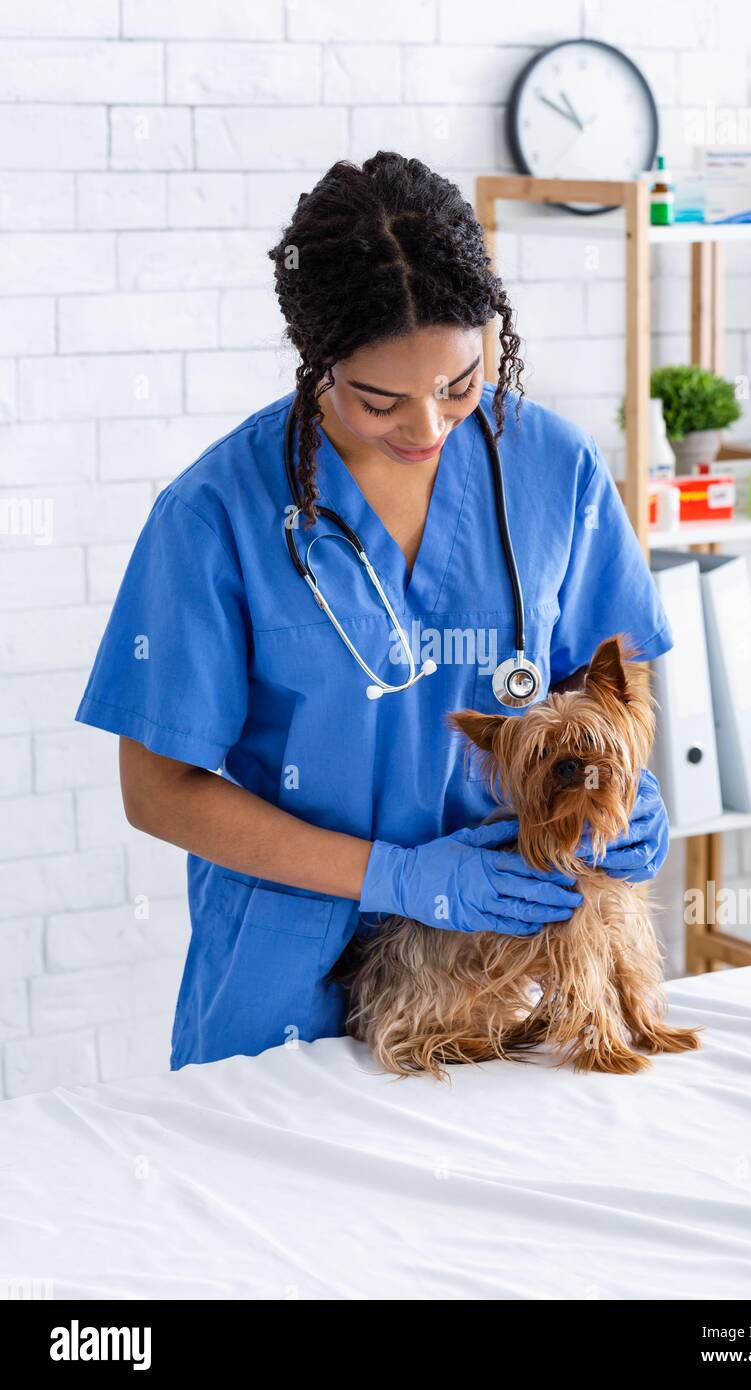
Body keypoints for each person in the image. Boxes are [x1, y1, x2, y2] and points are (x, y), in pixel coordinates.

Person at [75, 152, 673, 1070]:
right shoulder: (214, 516)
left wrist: (630, 798)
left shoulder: (556, 467)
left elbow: (606, 678)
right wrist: (395, 877)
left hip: (518, 981)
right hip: (283, 994)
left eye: (460, 384)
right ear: (317, 362)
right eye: (380, 399)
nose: (428, 428)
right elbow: (157, 791)